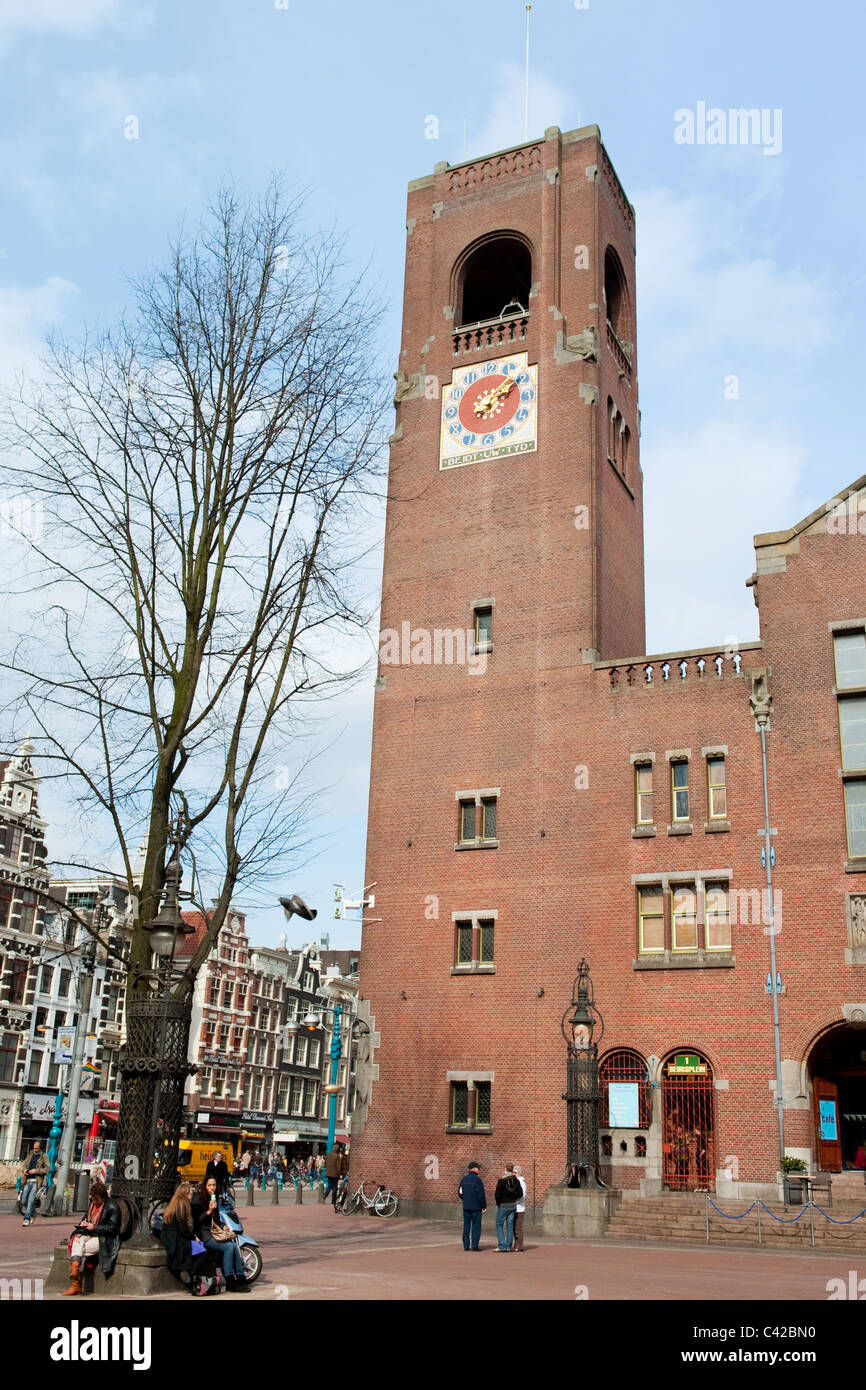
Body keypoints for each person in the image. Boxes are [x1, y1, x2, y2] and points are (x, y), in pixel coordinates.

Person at [63, 1179, 121, 1296]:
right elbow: (86, 1217)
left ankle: (76, 1282)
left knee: (79, 1249)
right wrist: (83, 1223)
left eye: (96, 1200)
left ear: (103, 1197)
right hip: (89, 1233)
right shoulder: (92, 1204)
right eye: (93, 1199)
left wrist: (94, 1227)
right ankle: (75, 1273)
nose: (94, 1202)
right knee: (77, 1241)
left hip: (104, 1238)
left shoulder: (112, 1207)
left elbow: (113, 1228)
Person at [191, 1177, 250, 1292]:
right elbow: (196, 1221)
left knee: (233, 1246)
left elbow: (217, 1220)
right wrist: (209, 1211)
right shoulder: (197, 1200)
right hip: (204, 1235)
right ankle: (229, 1280)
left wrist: (224, 1226)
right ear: (205, 1186)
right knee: (228, 1247)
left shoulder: (214, 1199)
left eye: (214, 1185)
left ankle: (240, 1276)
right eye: (209, 1185)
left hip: (214, 1232)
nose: (212, 1187)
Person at [160, 1182, 210, 1292]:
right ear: (185, 1194)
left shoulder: (173, 1203)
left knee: (197, 1248)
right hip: (177, 1241)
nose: (192, 1195)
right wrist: (194, 1237)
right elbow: (183, 1229)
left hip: (169, 1238)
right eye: (190, 1193)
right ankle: (190, 1275)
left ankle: (188, 1275)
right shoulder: (182, 1205)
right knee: (203, 1252)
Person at [457, 1161, 486, 1251]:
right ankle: (474, 1246)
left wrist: (465, 1199)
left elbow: (460, 1192)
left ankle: (466, 1246)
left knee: (466, 1226)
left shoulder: (463, 1179)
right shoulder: (478, 1180)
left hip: (466, 1206)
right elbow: (481, 1195)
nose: (479, 1170)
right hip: (476, 1207)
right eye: (478, 1168)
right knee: (476, 1226)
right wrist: (484, 1206)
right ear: (474, 1169)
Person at [19, 1140, 49, 1226]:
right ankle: (33, 1213)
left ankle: (26, 1219)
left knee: (31, 1200)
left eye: (37, 1148)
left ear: (40, 1147)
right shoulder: (30, 1154)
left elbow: (47, 1169)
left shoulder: (44, 1156)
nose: (35, 1149)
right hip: (27, 1180)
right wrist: (25, 1170)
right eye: (34, 1147)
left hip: (36, 1181)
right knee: (24, 1200)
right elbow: (24, 1164)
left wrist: (36, 1171)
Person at [494, 1164, 522, 1252]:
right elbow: (520, 1194)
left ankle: (502, 1245)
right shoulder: (516, 1181)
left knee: (499, 1224)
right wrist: (514, 1198)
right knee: (510, 1226)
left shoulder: (502, 1181)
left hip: (504, 1204)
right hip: (513, 1205)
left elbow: (497, 1195)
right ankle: (508, 1246)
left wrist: (499, 1203)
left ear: (505, 1169)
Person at [511, 1163, 528, 1251]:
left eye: (515, 1172)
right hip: (515, 1207)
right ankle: (516, 1244)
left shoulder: (521, 1182)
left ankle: (519, 1245)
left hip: (519, 1208)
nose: (514, 1174)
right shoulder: (515, 1182)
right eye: (513, 1172)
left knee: (518, 1227)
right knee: (514, 1227)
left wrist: (514, 1201)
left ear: (519, 1173)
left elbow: (522, 1196)